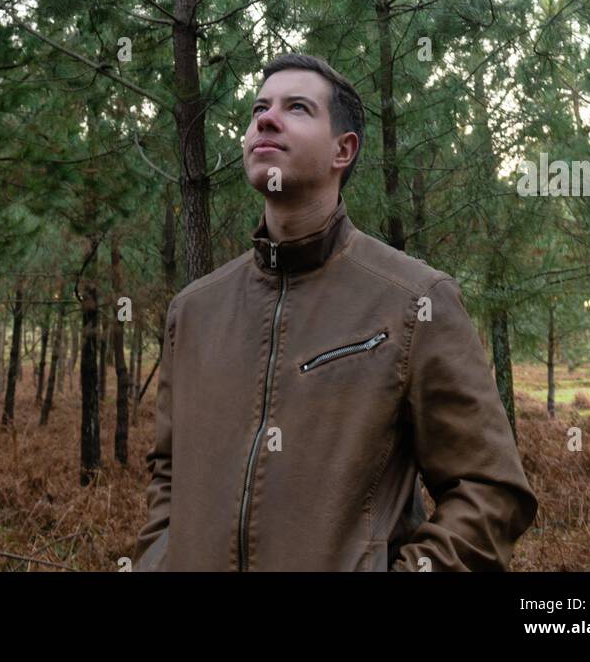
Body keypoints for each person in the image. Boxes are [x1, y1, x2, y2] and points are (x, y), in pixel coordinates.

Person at [133, 52, 538, 572]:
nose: (266, 118)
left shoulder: (414, 301)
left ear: (342, 150)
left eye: (297, 108)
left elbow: (490, 490)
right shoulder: (194, 311)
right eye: (259, 107)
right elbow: (169, 474)